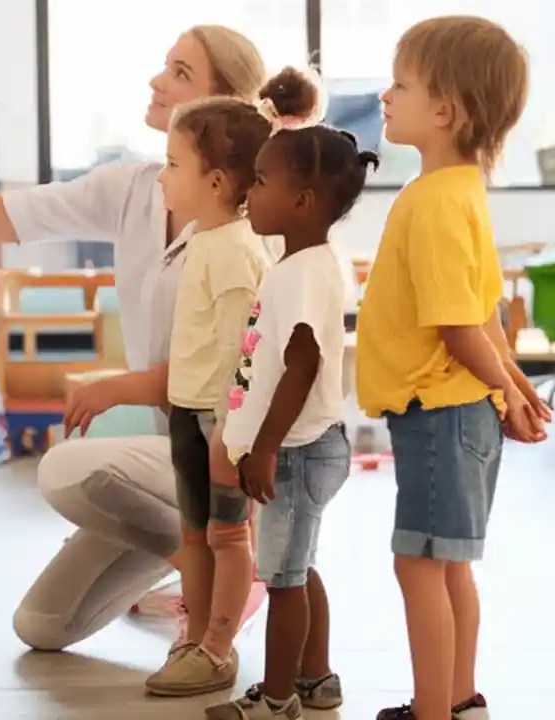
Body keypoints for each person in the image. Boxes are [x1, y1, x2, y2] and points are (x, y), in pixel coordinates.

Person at [0, 27, 271, 652]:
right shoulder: (134, 187)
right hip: (166, 466)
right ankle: (197, 559)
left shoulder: (257, 228)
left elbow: (237, 378)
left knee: (67, 467)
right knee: (41, 625)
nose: (157, 82)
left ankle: (220, 575)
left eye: (179, 73)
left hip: (220, 460)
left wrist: (118, 387)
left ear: (223, 109)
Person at [354, 16, 552, 720]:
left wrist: (507, 386)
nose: (386, 95)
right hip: (462, 411)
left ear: (445, 111)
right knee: (451, 563)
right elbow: (486, 310)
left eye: (401, 84)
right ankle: (459, 700)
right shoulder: (464, 189)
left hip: (438, 413)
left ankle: (433, 711)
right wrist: (517, 390)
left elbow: (457, 323)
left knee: (418, 564)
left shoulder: (432, 202)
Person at [142, 69, 317, 697]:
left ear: (214, 182)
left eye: (171, 164)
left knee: (226, 534)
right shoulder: (205, 238)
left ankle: (219, 644)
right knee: (196, 535)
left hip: (221, 424)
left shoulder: (239, 251)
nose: (162, 177)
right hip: (189, 415)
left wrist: (229, 430)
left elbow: (246, 352)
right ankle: (193, 637)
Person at [204, 112, 379, 718]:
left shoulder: (302, 273)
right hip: (302, 445)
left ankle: (276, 701)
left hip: (297, 451)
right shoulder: (310, 263)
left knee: (281, 581)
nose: (249, 193)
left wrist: (266, 447)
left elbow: (301, 366)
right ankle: (316, 679)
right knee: (296, 569)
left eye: (261, 181)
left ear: (302, 200)